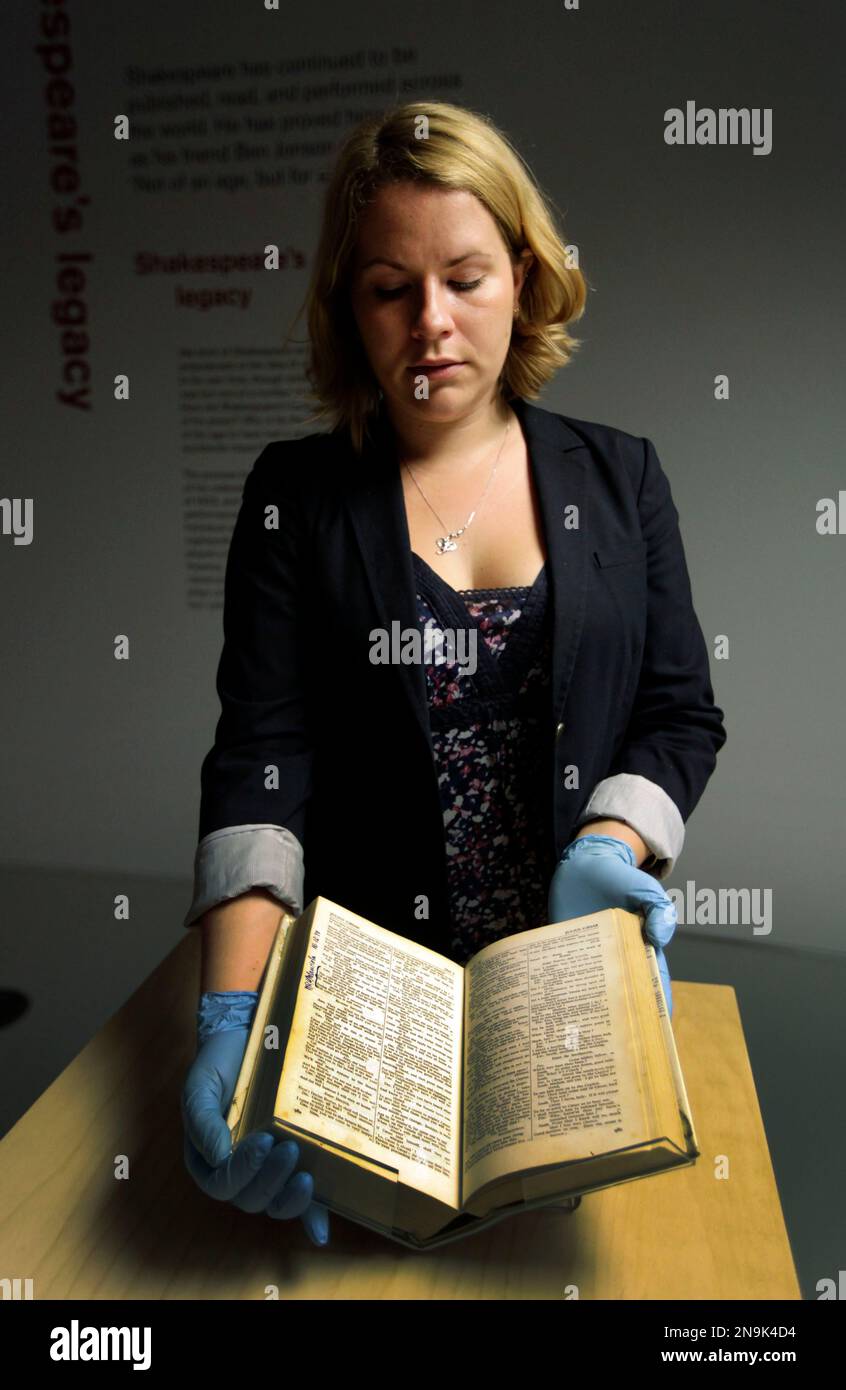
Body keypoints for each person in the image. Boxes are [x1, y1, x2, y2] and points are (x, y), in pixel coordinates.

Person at [180, 100, 727, 1251]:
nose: (431, 322)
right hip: (371, 1015)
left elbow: (679, 714)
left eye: (466, 278)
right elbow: (261, 762)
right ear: (350, 305)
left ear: (523, 277)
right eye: (390, 288)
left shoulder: (624, 479)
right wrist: (231, 1017)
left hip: (559, 1002)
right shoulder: (295, 498)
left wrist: (609, 848)